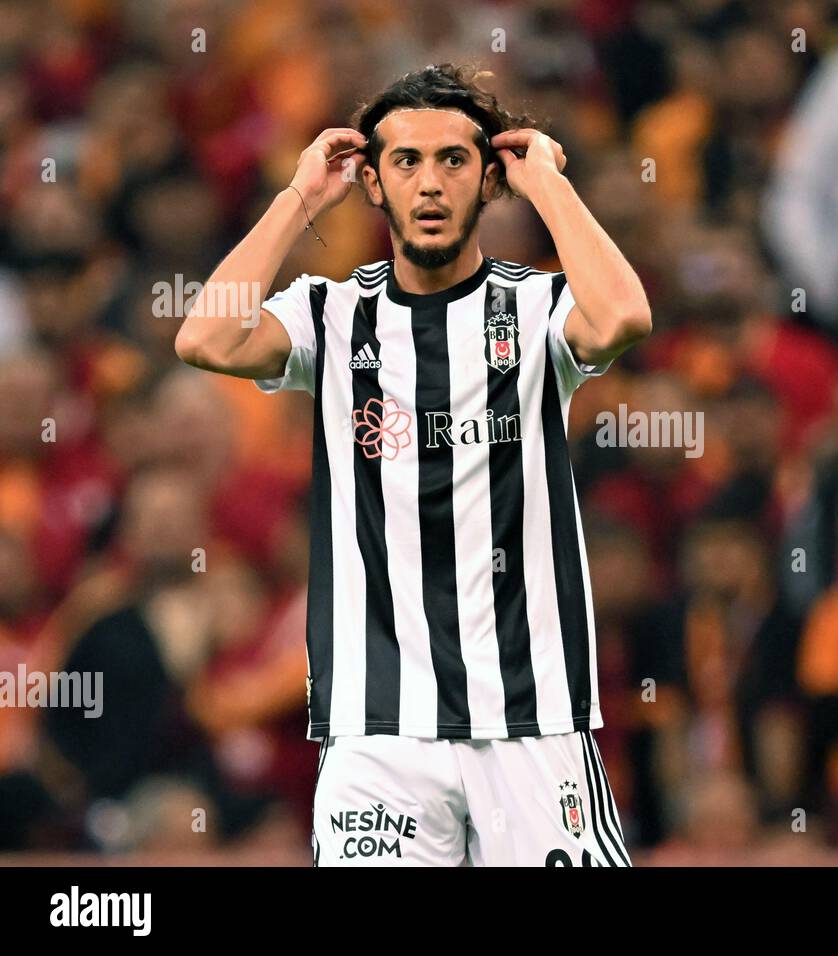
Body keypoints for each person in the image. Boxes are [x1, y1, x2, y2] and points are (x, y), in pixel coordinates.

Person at [174, 64, 651, 866]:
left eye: (455, 161)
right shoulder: (328, 314)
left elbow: (625, 316)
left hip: (529, 720)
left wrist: (550, 190)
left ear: (489, 178)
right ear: (372, 181)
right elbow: (206, 338)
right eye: (405, 162)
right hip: (377, 731)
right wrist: (298, 200)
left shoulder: (531, 309)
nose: (430, 184)